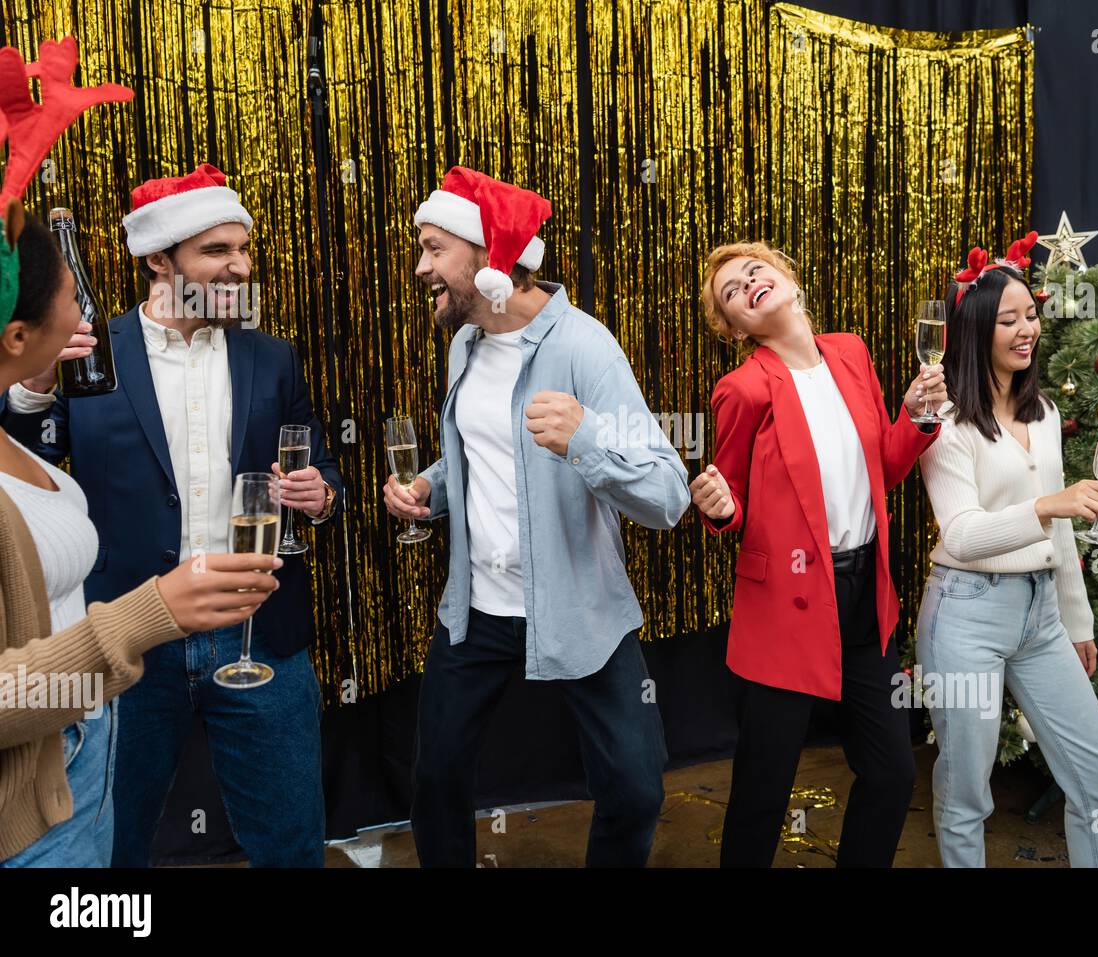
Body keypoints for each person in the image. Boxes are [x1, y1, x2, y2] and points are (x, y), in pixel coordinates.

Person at [0, 163, 343, 867]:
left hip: (260, 638)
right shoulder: (86, 354)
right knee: (112, 847)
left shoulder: (273, 358)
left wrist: (322, 493)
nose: (240, 267)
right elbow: (29, 475)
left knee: (291, 844)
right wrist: (33, 391)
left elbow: (318, 465)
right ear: (159, 259)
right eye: (217, 251)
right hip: (126, 642)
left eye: (244, 250)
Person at [382, 167, 690, 867]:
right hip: (476, 609)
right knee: (435, 781)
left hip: (578, 606)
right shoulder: (465, 342)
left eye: (434, 249)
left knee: (635, 788)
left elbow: (668, 494)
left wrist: (586, 441)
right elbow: (480, 455)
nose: (422, 266)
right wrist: (432, 487)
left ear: (490, 257)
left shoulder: (585, 346)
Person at [690, 241, 944, 867]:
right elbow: (731, 495)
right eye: (731, 291)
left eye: (755, 270)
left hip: (864, 597)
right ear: (735, 328)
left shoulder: (851, 352)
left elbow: (879, 470)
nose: (748, 283)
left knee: (891, 773)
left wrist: (912, 417)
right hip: (787, 607)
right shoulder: (742, 390)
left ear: (786, 277)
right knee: (762, 794)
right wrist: (721, 508)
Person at [915, 234, 1098, 867]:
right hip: (966, 614)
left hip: (1040, 617)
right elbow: (963, 535)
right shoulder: (944, 421)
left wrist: (1077, 620)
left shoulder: (1044, 413)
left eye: (1030, 315)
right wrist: (1045, 506)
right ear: (976, 330)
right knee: (966, 795)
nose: (1026, 329)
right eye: (1008, 320)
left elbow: (1061, 534)